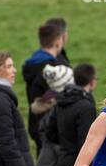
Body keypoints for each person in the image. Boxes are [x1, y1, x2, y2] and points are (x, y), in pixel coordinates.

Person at [22, 18, 71, 147]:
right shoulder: (55, 69)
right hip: (55, 127)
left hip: (36, 122)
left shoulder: (32, 63)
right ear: (58, 41)